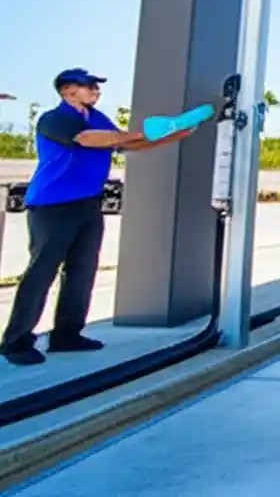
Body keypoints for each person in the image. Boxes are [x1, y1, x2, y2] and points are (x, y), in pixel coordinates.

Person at [1, 69, 197, 366]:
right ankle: (16, 341)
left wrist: (172, 135)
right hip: (53, 206)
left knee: (82, 272)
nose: (96, 90)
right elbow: (89, 140)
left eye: (97, 86)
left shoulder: (97, 117)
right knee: (42, 271)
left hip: (88, 205)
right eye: (89, 86)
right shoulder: (55, 119)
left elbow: (123, 143)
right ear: (68, 91)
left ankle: (67, 335)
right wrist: (147, 131)